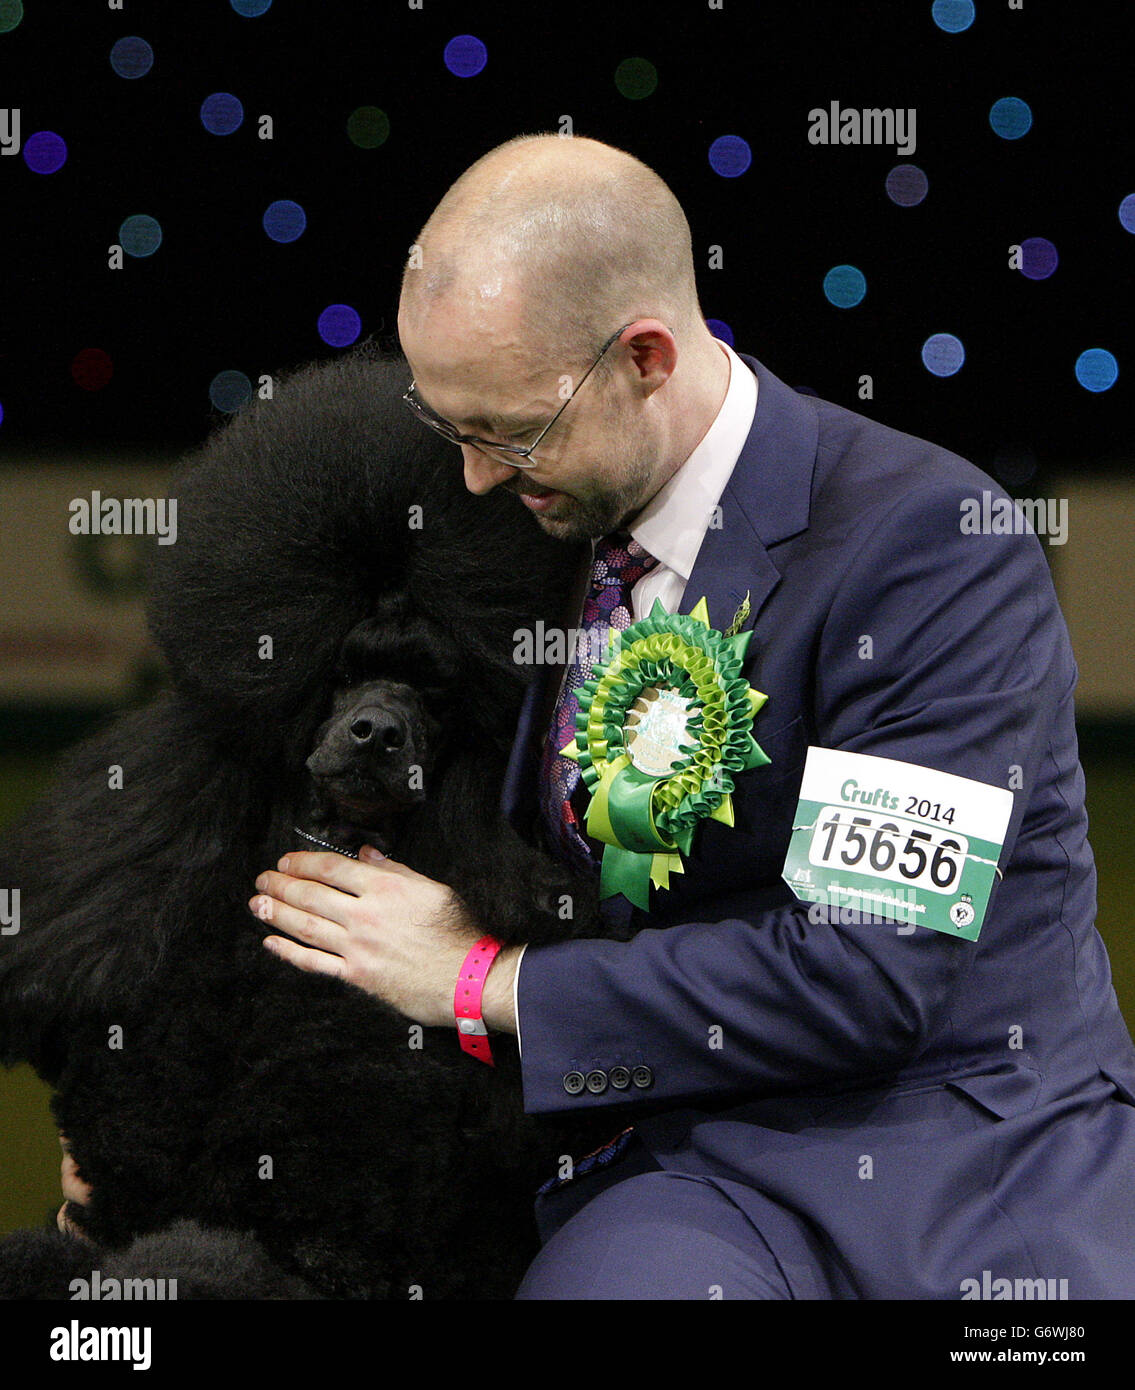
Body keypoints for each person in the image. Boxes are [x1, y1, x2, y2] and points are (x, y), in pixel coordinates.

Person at [72, 132, 1135, 1299]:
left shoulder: (930, 548)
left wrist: (487, 979)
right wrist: (145, 1141)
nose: (474, 477)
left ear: (644, 357)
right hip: (656, 1167)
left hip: (949, 1160)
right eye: (450, 427)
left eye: (512, 429)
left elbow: (870, 972)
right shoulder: (524, 520)